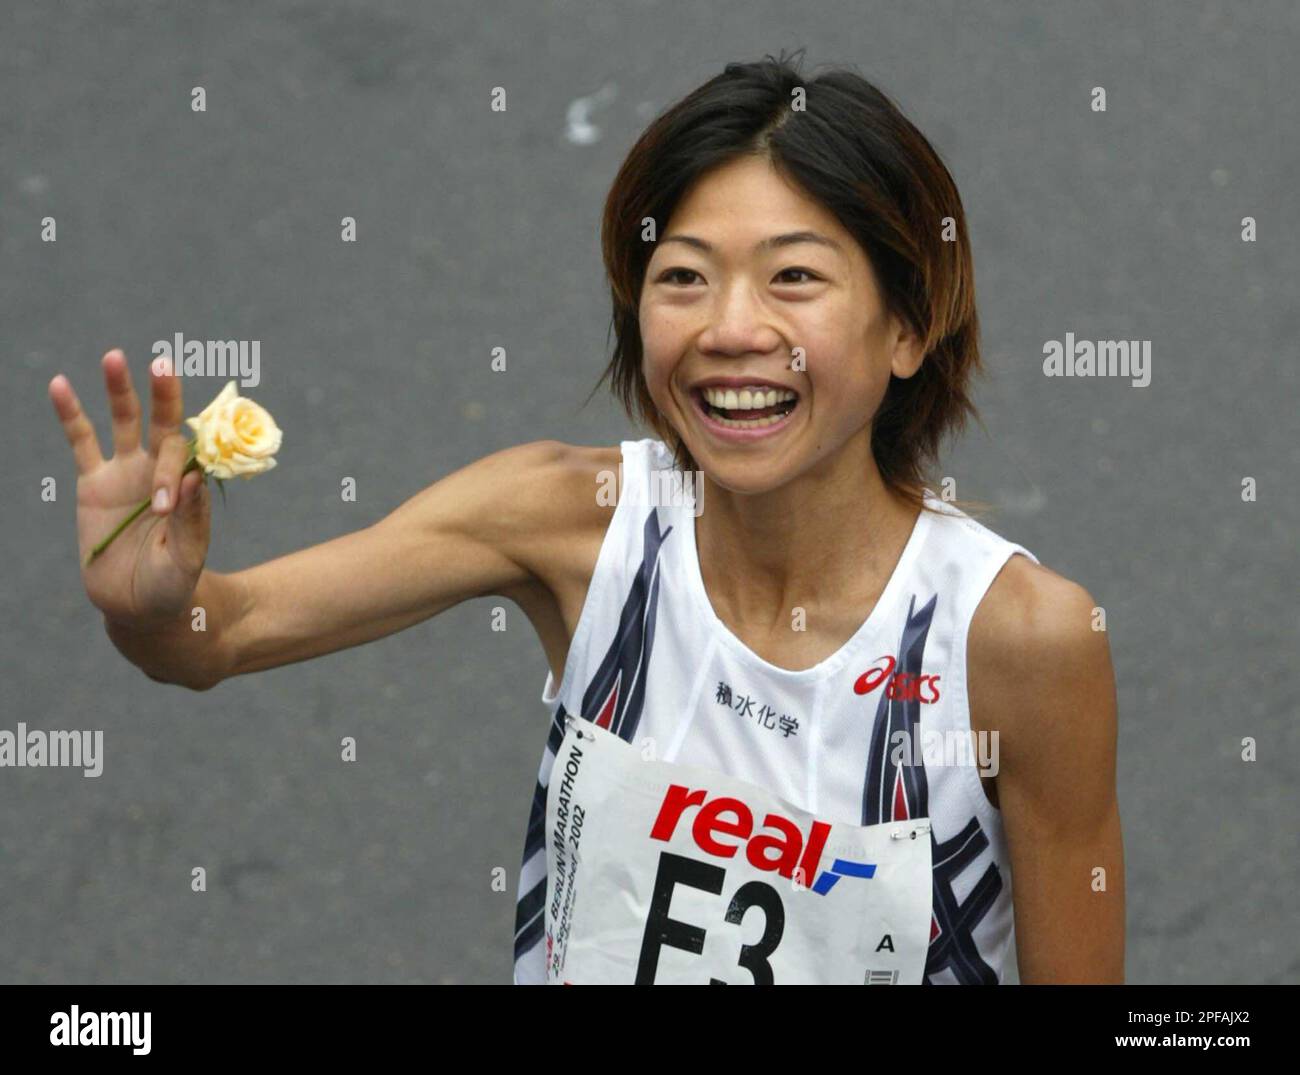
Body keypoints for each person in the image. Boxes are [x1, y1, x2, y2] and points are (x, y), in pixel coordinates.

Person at [47, 51, 1123, 984]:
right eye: (683, 277)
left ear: (908, 327)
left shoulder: (1017, 640)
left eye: (794, 276)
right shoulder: (573, 521)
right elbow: (218, 637)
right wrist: (151, 604)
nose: (731, 329)